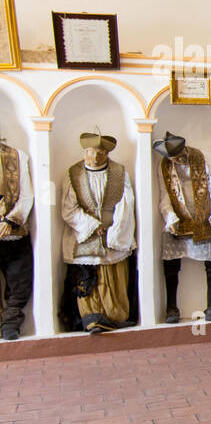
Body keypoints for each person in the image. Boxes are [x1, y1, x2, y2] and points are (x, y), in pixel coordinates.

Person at [60, 132, 137, 334]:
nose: (95, 158)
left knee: (113, 276)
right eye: (90, 153)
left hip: (112, 234)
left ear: (107, 154)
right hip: (83, 235)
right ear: (84, 152)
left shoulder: (119, 172)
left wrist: (115, 230)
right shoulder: (73, 174)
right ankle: (91, 317)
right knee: (88, 278)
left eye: (100, 153)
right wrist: (92, 225)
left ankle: (115, 316)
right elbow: (69, 208)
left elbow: (126, 204)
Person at [155, 131, 211, 323]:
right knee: (171, 263)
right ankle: (171, 307)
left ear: (185, 150)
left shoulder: (204, 158)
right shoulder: (164, 165)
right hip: (179, 216)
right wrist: (170, 217)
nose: (176, 162)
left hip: (204, 217)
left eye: (178, 158)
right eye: (173, 160)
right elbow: (164, 196)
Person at [0, 137, 34, 340]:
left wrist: (10, 221)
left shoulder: (17, 156)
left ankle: (10, 323)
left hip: (13, 233)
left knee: (20, 282)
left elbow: (27, 195)